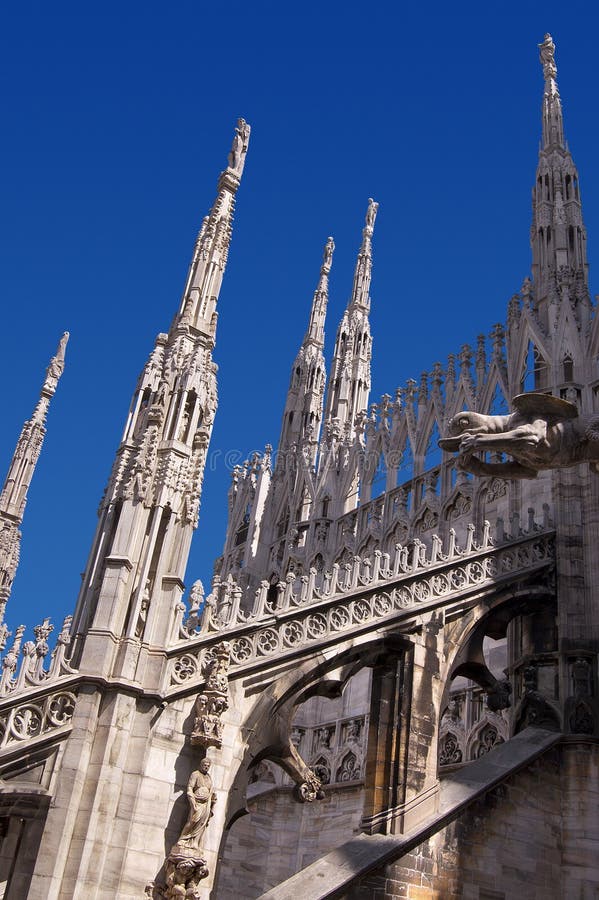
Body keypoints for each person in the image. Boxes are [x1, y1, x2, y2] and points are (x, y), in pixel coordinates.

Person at [177, 759, 216, 852]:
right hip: (197, 802)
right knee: (193, 820)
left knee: (202, 823)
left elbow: (210, 789)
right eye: (205, 765)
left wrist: (212, 797)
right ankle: (183, 839)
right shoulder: (195, 774)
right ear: (201, 765)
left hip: (206, 803)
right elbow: (190, 787)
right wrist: (192, 800)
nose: (206, 767)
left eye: (208, 766)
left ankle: (195, 842)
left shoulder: (209, 777)